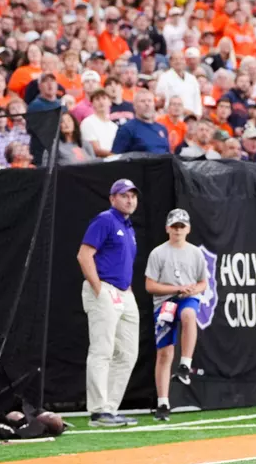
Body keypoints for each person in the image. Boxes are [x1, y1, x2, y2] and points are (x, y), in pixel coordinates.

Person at [76, 178, 141, 428]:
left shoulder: (129, 227)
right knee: (102, 350)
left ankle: (110, 409)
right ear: (113, 198)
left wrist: (127, 289)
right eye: (124, 195)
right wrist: (98, 288)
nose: (130, 200)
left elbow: (123, 263)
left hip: (124, 292)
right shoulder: (105, 220)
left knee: (127, 353)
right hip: (105, 288)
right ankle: (98, 411)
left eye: (133, 196)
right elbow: (84, 255)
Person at [144, 209, 210, 421]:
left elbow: (203, 282)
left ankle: (185, 363)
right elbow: (150, 285)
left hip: (187, 298)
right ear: (167, 228)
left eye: (182, 226)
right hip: (165, 302)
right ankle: (163, 402)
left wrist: (192, 290)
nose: (178, 230)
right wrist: (175, 289)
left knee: (190, 314)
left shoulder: (195, 253)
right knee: (164, 352)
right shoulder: (158, 253)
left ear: (188, 229)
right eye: (174, 226)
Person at [111, 89, 170, 154]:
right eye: (142, 101)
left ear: (154, 105)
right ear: (134, 106)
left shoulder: (162, 128)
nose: (147, 104)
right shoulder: (127, 129)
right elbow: (115, 156)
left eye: (150, 101)